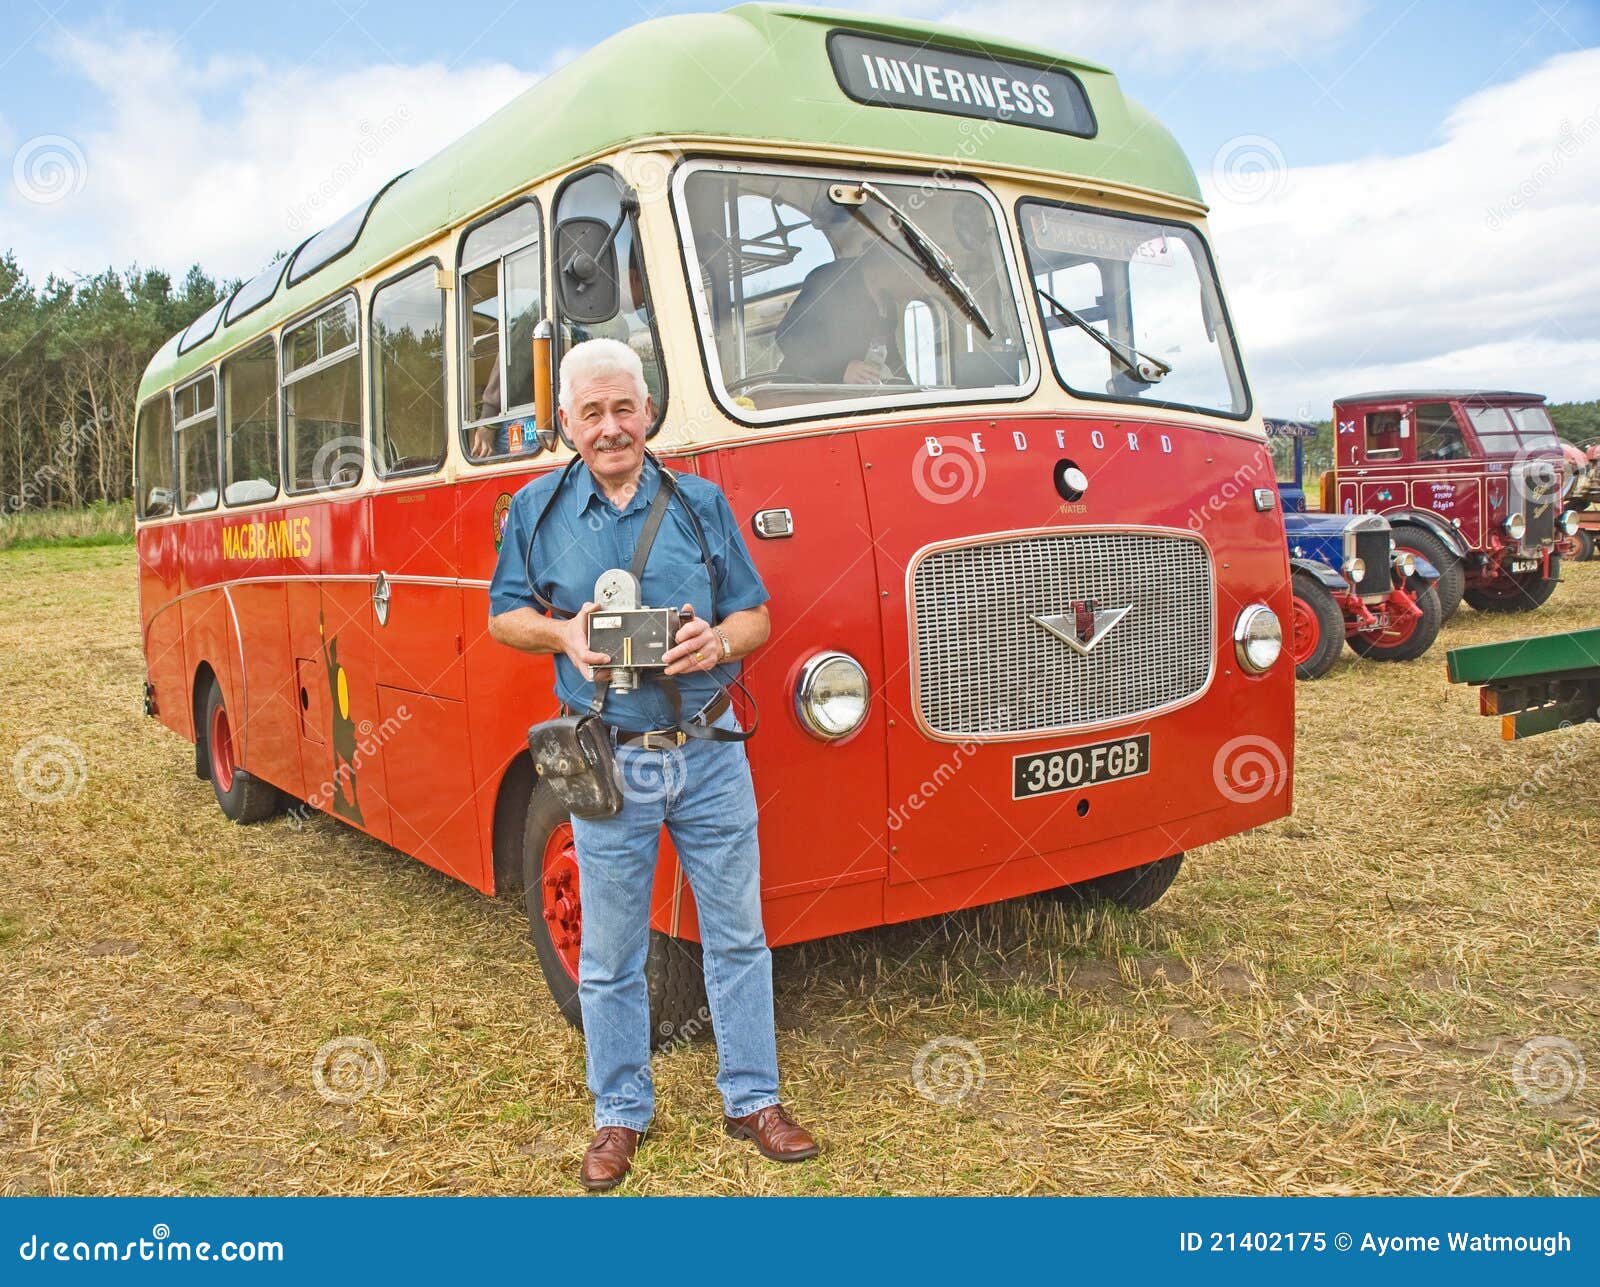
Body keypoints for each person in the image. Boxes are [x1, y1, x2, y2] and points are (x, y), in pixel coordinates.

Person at [487, 337, 818, 1191]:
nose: (609, 427)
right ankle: (620, 1113)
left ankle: (753, 1100)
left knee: (739, 937)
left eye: (623, 408)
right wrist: (562, 633)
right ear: (566, 422)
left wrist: (719, 637)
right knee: (611, 953)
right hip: (612, 763)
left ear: (648, 411)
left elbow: (756, 616)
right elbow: (503, 617)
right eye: (591, 412)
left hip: (709, 753)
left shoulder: (702, 503)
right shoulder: (534, 509)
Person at [775, 233, 910, 385]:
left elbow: (891, 357)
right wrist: (841, 370)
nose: (913, 285)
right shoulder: (830, 279)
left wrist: (914, 396)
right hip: (799, 393)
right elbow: (788, 337)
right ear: (892, 268)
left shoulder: (888, 305)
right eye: (909, 275)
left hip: (844, 395)